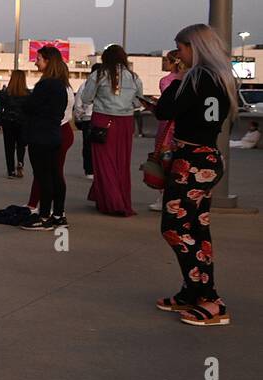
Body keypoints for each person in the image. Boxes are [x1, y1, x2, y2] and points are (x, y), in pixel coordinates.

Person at [153, 23, 237, 327]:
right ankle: (194, 291)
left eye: (181, 47)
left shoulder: (195, 78)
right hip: (208, 157)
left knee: (174, 227)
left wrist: (175, 80)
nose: (178, 54)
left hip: (191, 161)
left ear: (194, 47)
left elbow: (165, 111)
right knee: (197, 228)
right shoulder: (219, 78)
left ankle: (209, 297)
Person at [79, 44, 143, 216]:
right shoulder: (133, 77)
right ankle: (119, 199)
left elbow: (86, 98)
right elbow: (138, 102)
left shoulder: (99, 75)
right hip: (126, 122)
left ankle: (113, 202)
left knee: (103, 162)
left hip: (103, 120)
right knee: (121, 162)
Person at [19, 46, 71, 230]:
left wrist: (26, 102)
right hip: (54, 134)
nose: (36, 62)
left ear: (48, 61)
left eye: (39, 59)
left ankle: (44, 216)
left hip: (40, 135)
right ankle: (58, 214)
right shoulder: (61, 86)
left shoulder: (45, 84)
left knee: (43, 177)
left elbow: (30, 106)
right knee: (55, 175)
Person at [147, 50, 186, 210]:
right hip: (182, 125)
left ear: (172, 62)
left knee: (164, 161)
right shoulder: (188, 79)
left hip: (167, 126)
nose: (163, 63)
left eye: (165, 60)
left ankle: (163, 197)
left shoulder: (166, 81)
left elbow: (166, 104)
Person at [0, 70, 29, 178]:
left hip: (8, 122)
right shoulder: (27, 94)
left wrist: (1, 122)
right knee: (21, 145)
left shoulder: (4, 93)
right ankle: (20, 162)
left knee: (9, 147)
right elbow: (30, 110)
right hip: (22, 122)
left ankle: (10, 170)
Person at [74, 63, 99, 180]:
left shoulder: (84, 85)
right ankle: (98, 169)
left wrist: (79, 116)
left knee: (87, 146)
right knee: (99, 146)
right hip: (100, 118)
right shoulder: (104, 85)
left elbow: (78, 103)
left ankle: (89, 170)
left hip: (87, 118)